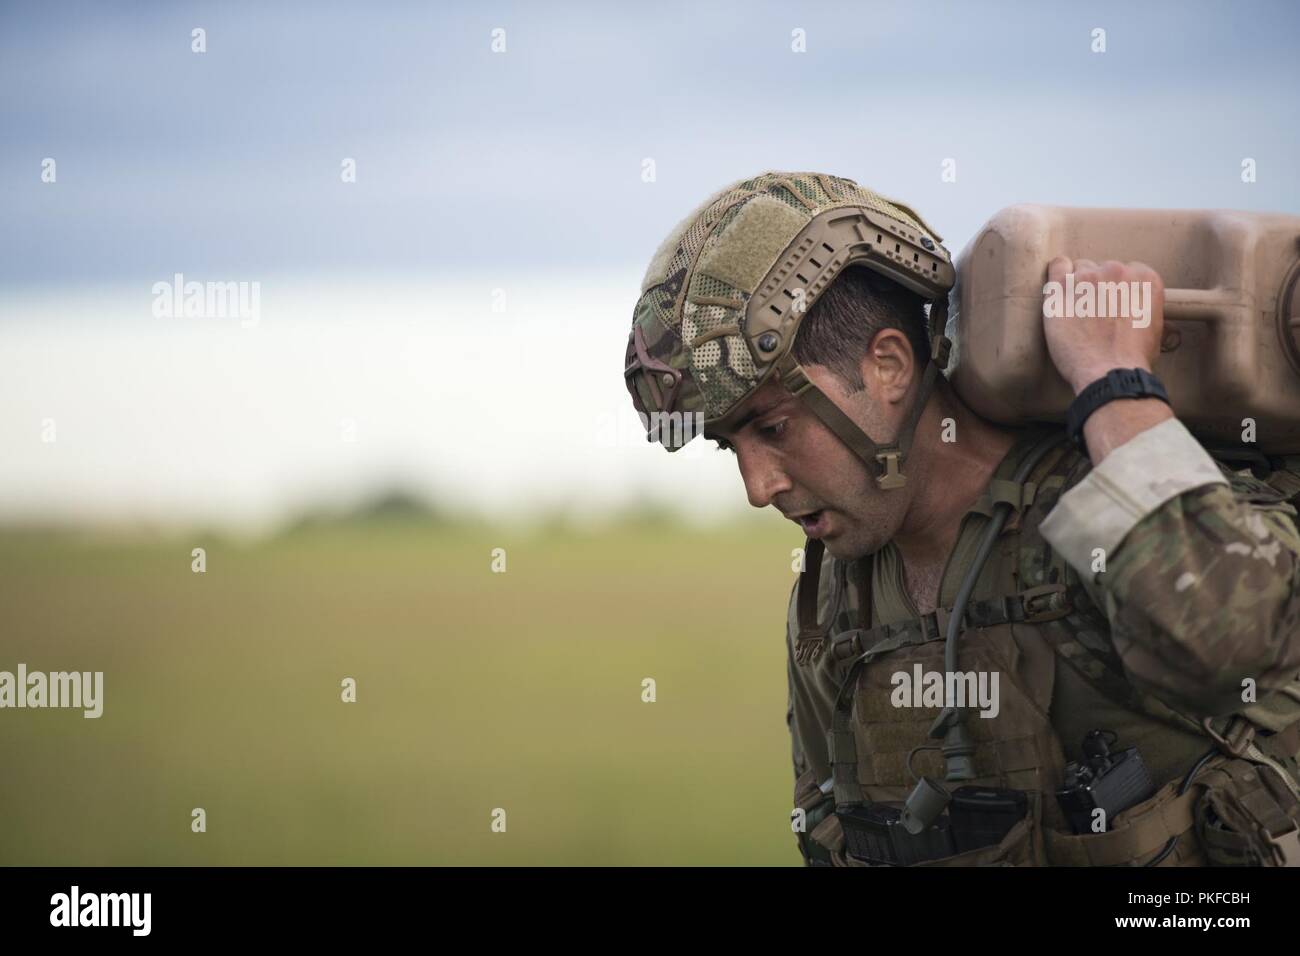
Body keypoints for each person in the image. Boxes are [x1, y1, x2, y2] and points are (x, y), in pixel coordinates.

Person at [622, 171, 1300, 866]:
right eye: (730, 445)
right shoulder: (837, 599)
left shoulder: (1117, 506)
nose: (757, 488)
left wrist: (1112, 384)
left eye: (772, 428)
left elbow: (1232, 641)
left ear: (887, 367)